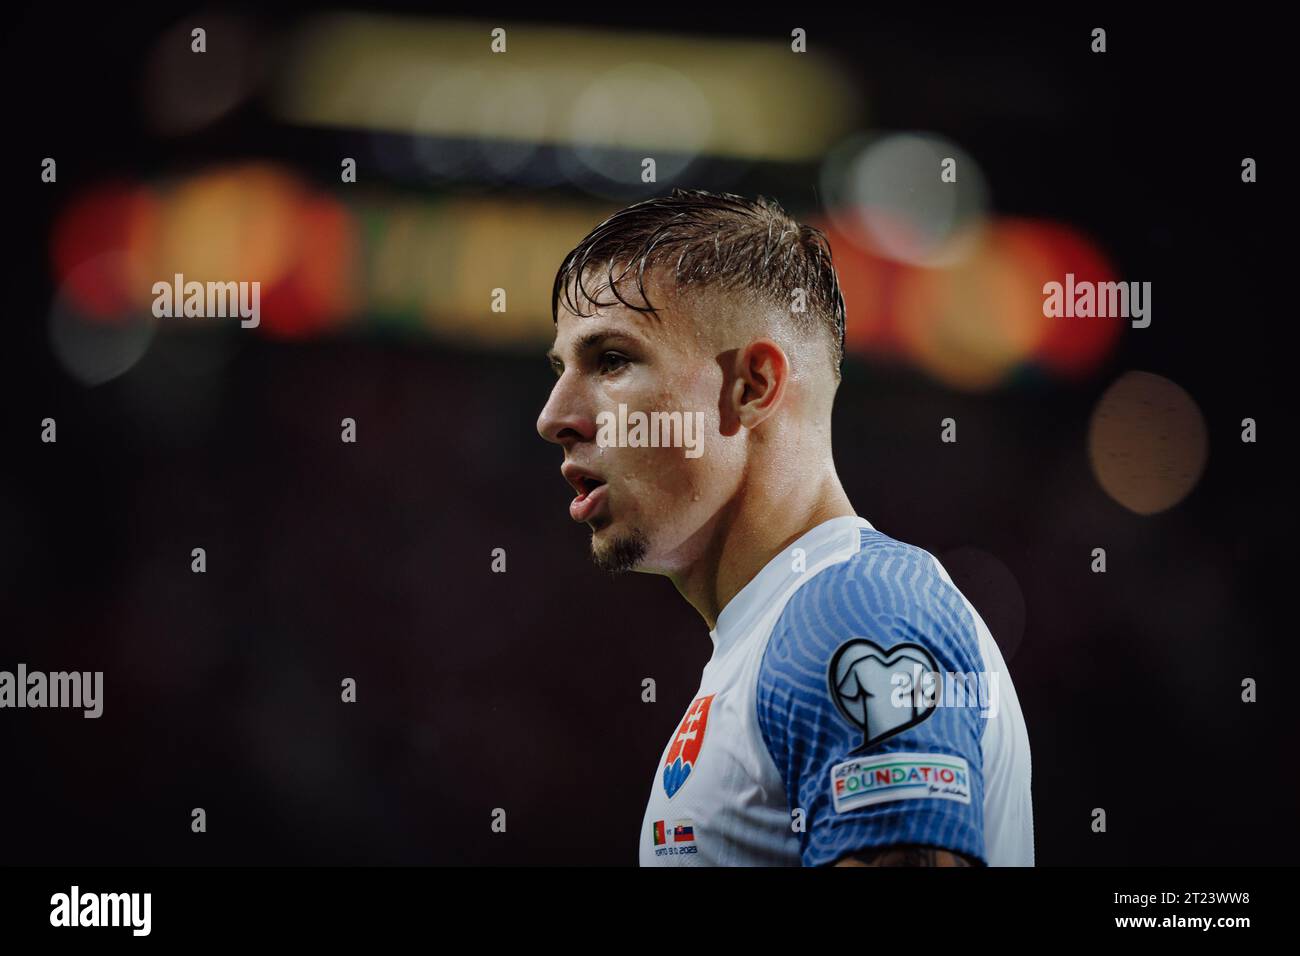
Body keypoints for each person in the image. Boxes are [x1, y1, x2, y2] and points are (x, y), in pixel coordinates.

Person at [537, 188, 1033, 866]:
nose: (555, 415)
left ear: (752, 386)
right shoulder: (784, 628)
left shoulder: (856, 616)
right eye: (562, 369)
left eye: (612, 361)